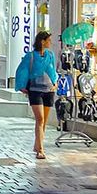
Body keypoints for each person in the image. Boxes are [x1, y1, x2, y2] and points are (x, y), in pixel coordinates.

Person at [14, 31, 60, 161]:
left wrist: (55, 82)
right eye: (48, 40)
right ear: (42, 41)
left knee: (43, 121)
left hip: (48, 89)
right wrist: (21, 85)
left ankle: (37, 144)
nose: (50, 43)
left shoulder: (50, 55)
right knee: (39, 119)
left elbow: (52, 70)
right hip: (35, 89)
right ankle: (40, 150)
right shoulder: (31, 56)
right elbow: (22, 69)